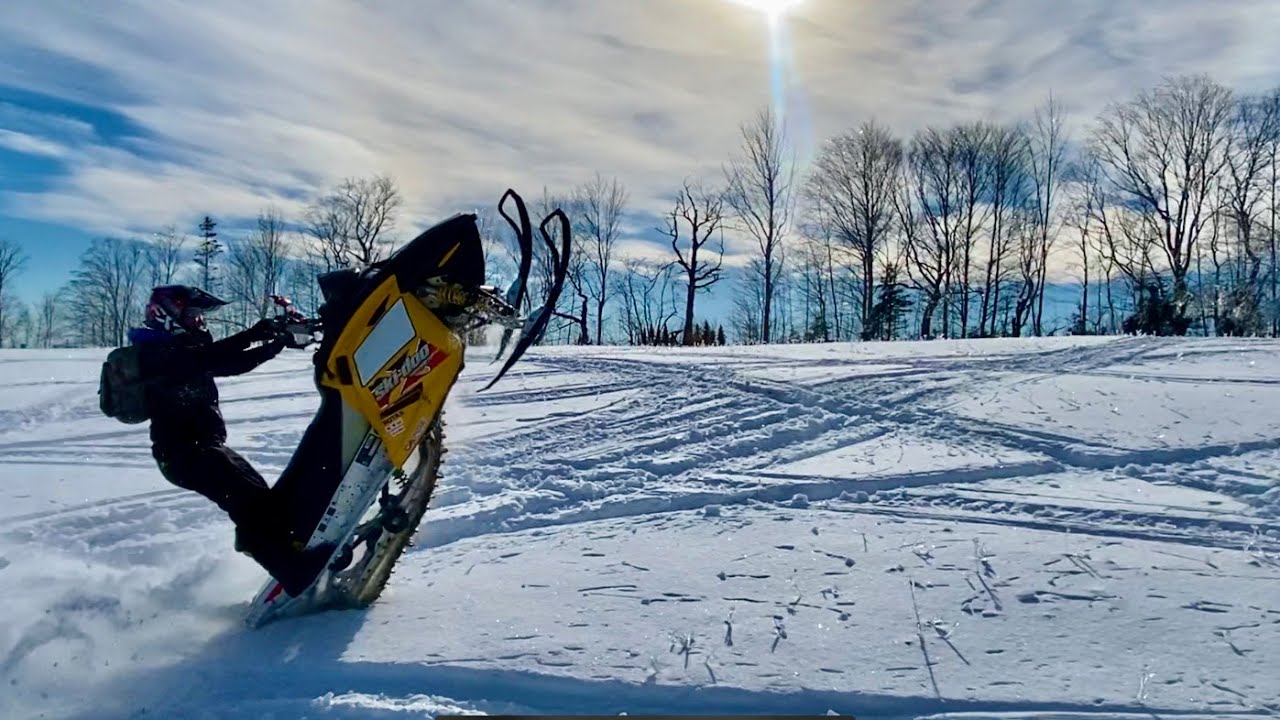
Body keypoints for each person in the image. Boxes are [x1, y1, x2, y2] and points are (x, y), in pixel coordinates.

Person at [128, 285, 315, 576]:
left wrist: (274, 345)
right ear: (165, 315)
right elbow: (209, 357)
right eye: (192, 315)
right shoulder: (154, 354)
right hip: (183, 454)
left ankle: (283, 546)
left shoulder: (180, 350)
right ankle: (291, 572)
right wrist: (254, 334)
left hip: (204, 448)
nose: (199, 322)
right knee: (251, 504)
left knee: (261, 496)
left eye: (199, 316)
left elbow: (230, 363)